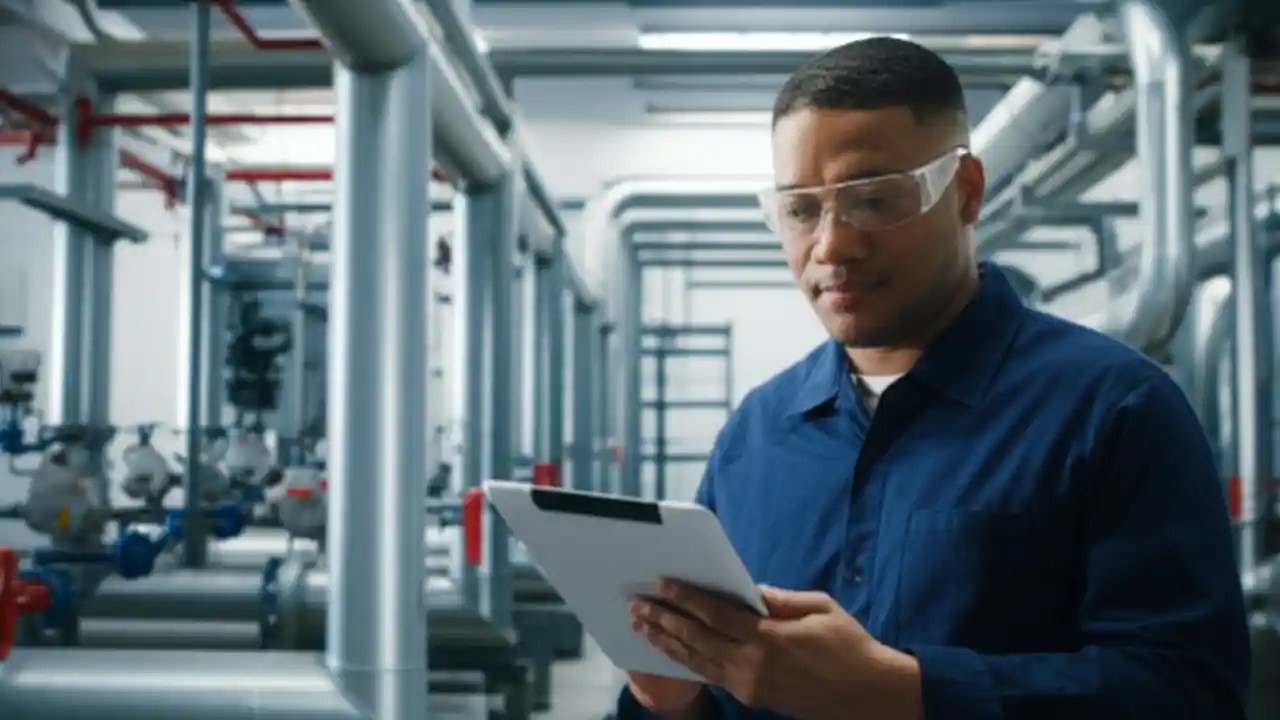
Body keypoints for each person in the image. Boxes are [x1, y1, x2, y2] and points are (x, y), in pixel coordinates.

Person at [614, 36, 1251, 720]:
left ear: (966, 192)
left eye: (873, 199)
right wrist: (673, 703)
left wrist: (906, 693)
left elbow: (1190, 692)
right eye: (801, 209)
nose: (830, 245)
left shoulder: (1116, 411)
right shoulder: (756, 435)